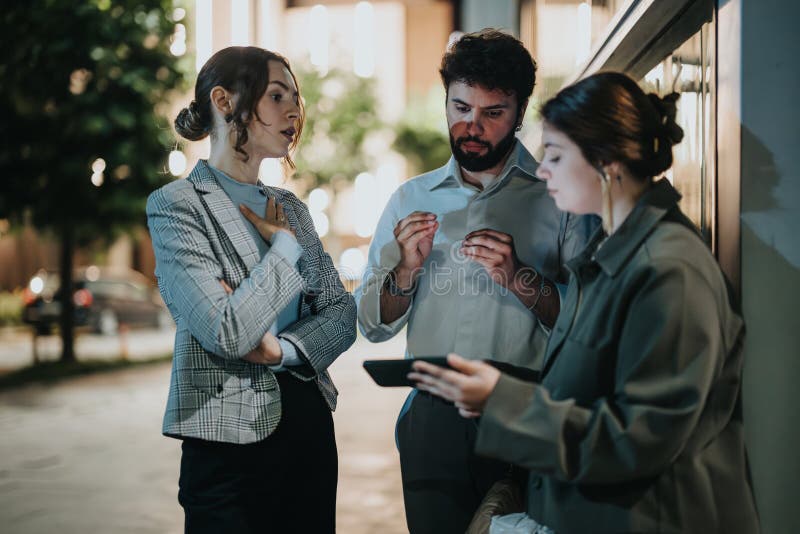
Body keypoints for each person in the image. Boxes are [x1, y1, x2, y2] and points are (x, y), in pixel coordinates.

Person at [410, 71, 760, 533]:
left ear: (606, 161)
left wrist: (504, 400)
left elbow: (638, 439)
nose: (542, 171)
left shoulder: (668, 269)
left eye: (554, 155)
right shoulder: (611, 254)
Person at [355, 29, 595, 533]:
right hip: (432, 422)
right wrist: (405, 270)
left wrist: (519, 278)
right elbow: (373, 327)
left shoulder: (561, 198)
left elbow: (591, 324)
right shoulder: (408, 199)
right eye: (460, 107)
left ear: (520, 112)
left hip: (526, 414)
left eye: (492, 113)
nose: (472, 126)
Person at [146, 46, 356, 534]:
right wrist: (282, 253)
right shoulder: (177, 207)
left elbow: (342, 315)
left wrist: (283, 350)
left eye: (296, 99)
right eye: (277, 95)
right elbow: (227, 331)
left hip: (306, 427)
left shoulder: (291, 209)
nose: (294, 111)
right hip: (225, 440)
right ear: (223, 101)